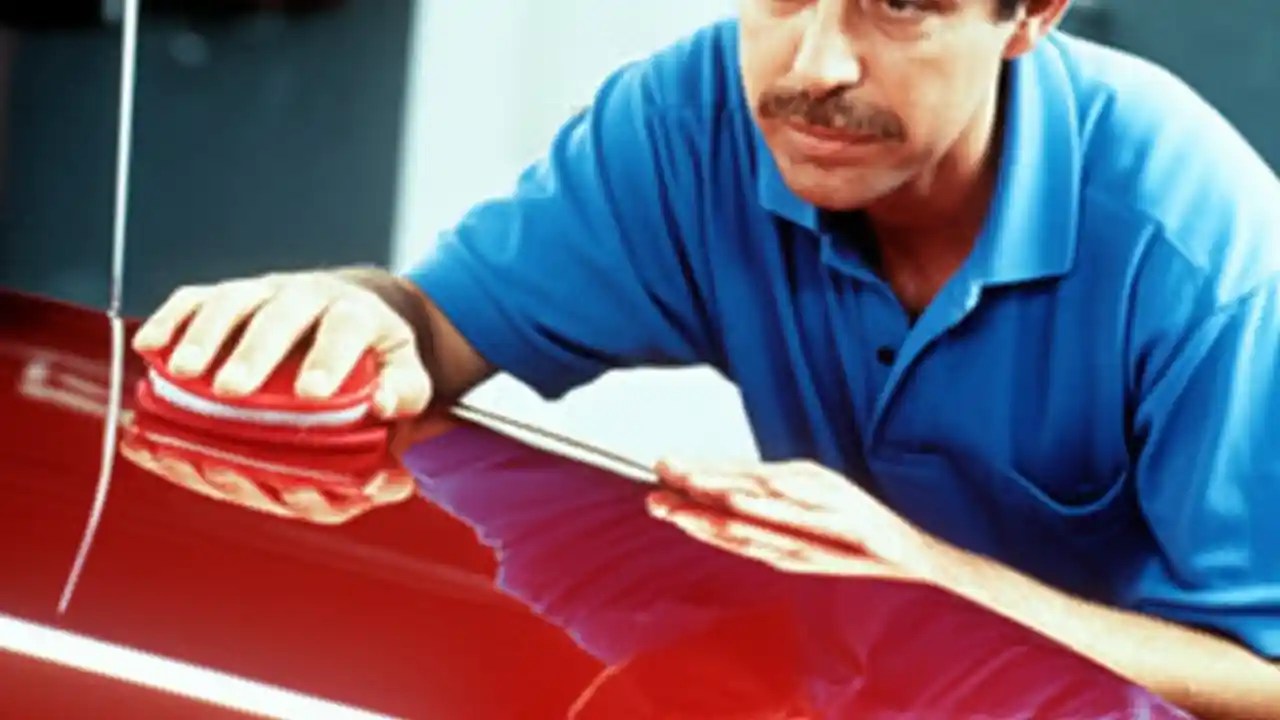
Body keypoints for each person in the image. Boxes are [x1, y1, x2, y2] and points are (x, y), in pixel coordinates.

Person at [133, 1, 1280, 716]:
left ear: (1028, 15)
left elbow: (1262, 681)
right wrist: (350, 312)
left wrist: (927, 571)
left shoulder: (1199, 246)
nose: (816, 62)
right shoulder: (698, 118)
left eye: (899, 5)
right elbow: (437, 331)